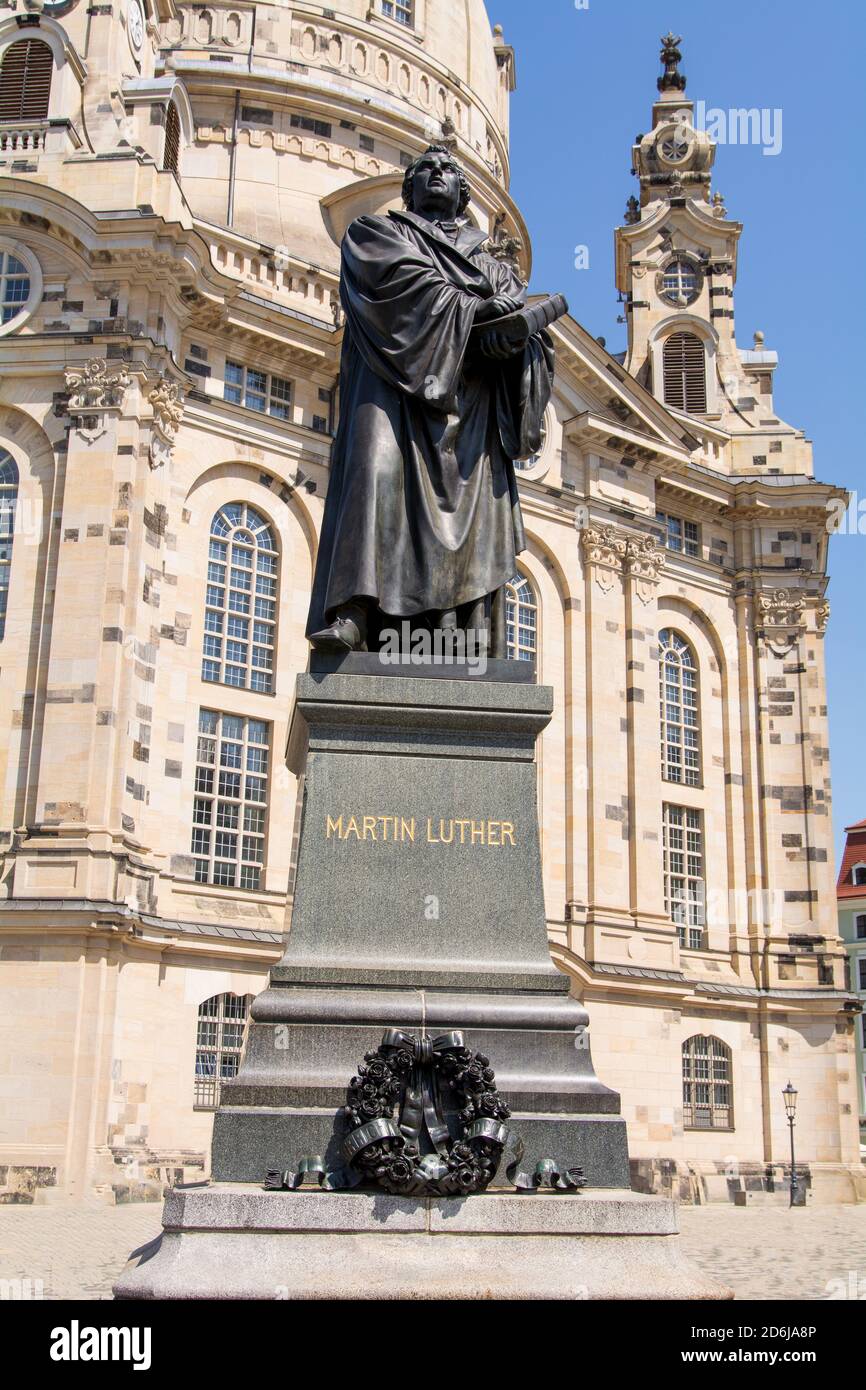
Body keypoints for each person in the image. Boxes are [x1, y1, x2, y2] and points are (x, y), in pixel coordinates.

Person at [307, 144, 554, 655]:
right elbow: (398, 290)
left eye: (449, 170)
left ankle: (452, 632)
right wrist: (476, 313)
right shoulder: (377, 233)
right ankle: (356, 612)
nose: (439, 174)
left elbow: (525, 338)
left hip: (471, 407)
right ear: (410, 186)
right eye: (427, 169)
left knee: (473, 504)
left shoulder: (496, 266)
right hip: (391, 387)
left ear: (464, 196)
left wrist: (516, 341)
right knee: (372, 471)